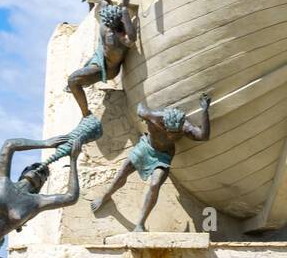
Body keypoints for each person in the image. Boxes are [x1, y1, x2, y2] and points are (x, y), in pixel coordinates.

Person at [90, 95, 212, 231]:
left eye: (175, 134)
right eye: (168, 132)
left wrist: (205, 111)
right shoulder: (154, 117)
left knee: (155, 185)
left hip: (163, 157)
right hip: (146, 148)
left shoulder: (185, 126)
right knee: (122, 172)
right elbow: (140, 108)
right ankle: (105, 196)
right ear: (163, 123)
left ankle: (140, 224)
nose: (171, 136)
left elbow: (203, 136)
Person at [66, 0, 136, 119]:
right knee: (73, 81)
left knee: (73, 80)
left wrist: (124, 8)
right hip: (98, 59)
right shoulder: (116, 35)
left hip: (106, 69)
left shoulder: (115, 36)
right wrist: (124, 8)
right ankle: (86, 113)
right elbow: (132, 37)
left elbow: (131, 38)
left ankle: (86, 115)